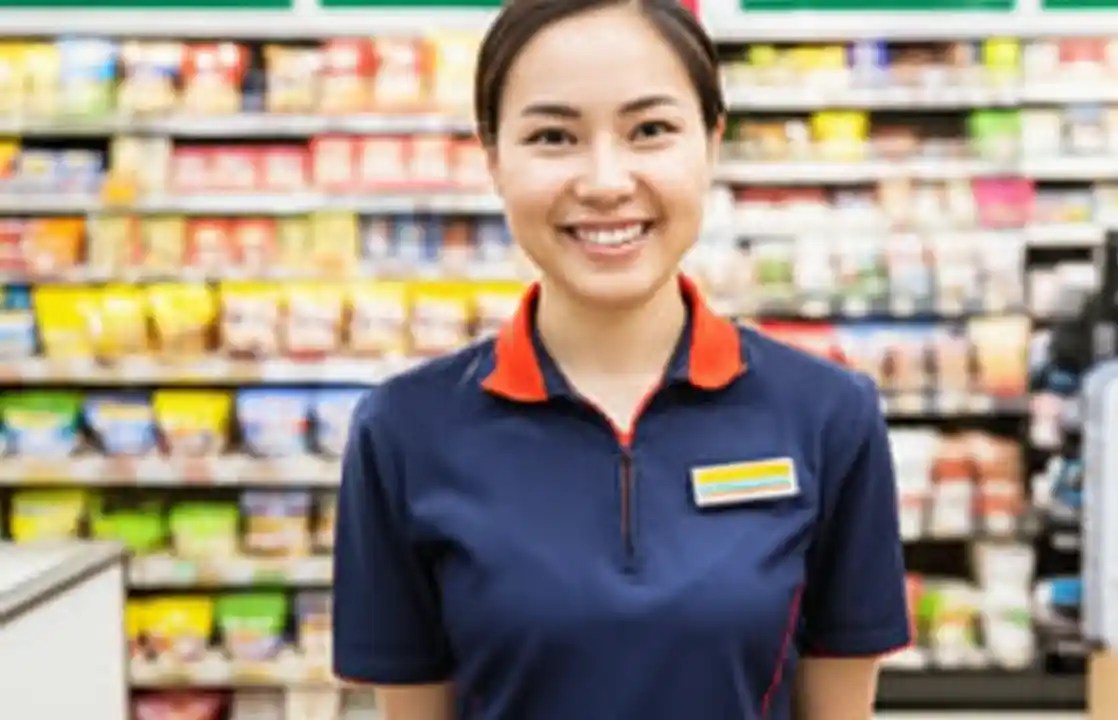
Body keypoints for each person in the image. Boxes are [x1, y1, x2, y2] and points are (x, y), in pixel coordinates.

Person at [331, 1, 910, 718]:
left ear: (711, 142)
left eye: (651, 130)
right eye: (553, 135)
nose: (606, 181)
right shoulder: (404, 432)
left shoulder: (828, 417)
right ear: (493, 160)